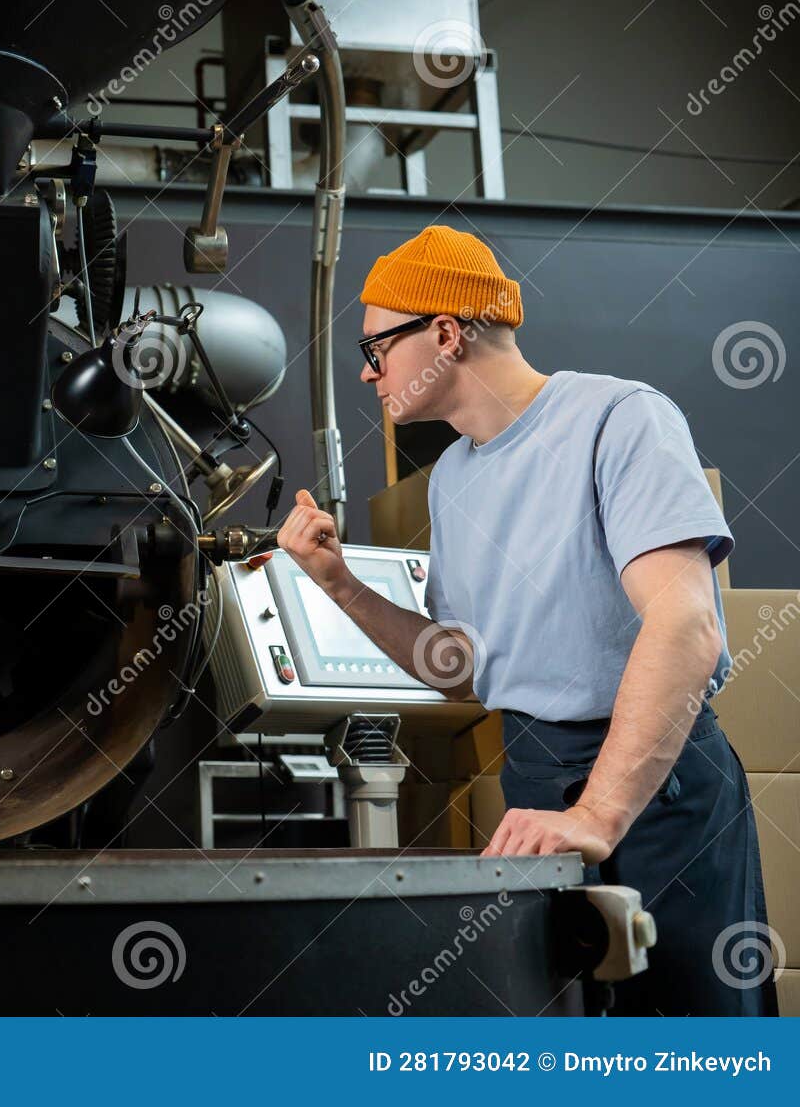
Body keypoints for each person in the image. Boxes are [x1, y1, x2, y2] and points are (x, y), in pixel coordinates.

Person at [276, 224, 772, 1015]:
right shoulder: (452, 481)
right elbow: (461, 666)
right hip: (536, 780)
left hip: (654, 786)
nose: (370, 376)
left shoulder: (619, 419)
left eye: (376, 351)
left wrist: (599, 813)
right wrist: (338, 585)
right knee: (574, 1042)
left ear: (444, 333)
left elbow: (684, 627)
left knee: (695, 1042)